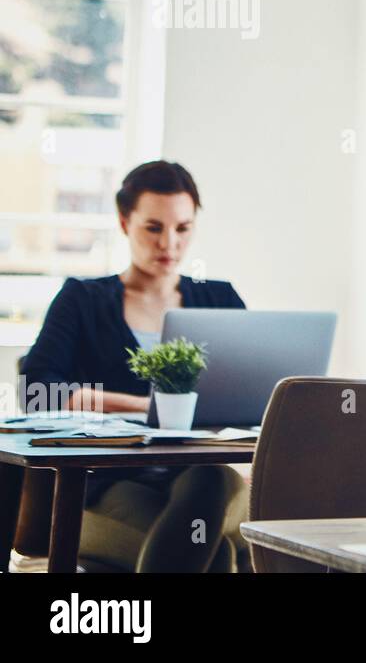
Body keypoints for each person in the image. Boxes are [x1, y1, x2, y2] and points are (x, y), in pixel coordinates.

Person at [19, 161, 249, 572]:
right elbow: (37, 391)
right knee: (220, 556)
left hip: (197, 474)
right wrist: (147, 407)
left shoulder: (219, 300)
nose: (169, 244)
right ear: (125, 223)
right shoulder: (83, 300)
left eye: (183, 228)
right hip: (107, 481)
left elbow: (251, 391)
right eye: (153, 228)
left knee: (213, 479)